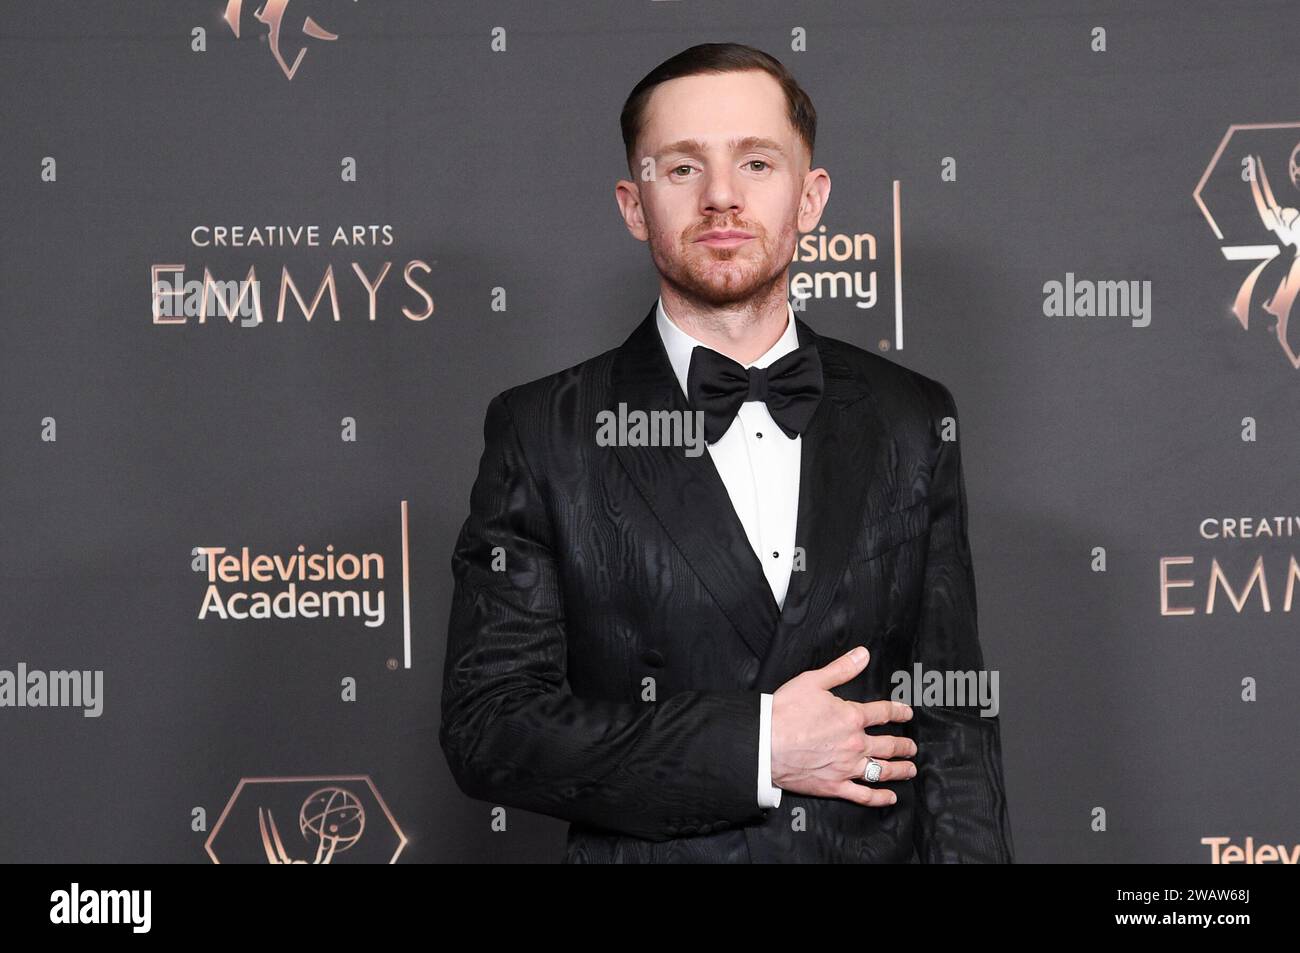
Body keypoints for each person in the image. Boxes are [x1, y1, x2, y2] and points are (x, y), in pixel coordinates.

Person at [439, 42, 1014, 863]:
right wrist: (758, 747)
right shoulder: (544, 431)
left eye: (756, 162)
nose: (721, 198)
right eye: (681, 168)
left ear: (809, 196)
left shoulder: (911, 417)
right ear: (634, 205)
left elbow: (953, 728)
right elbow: (489, 728)